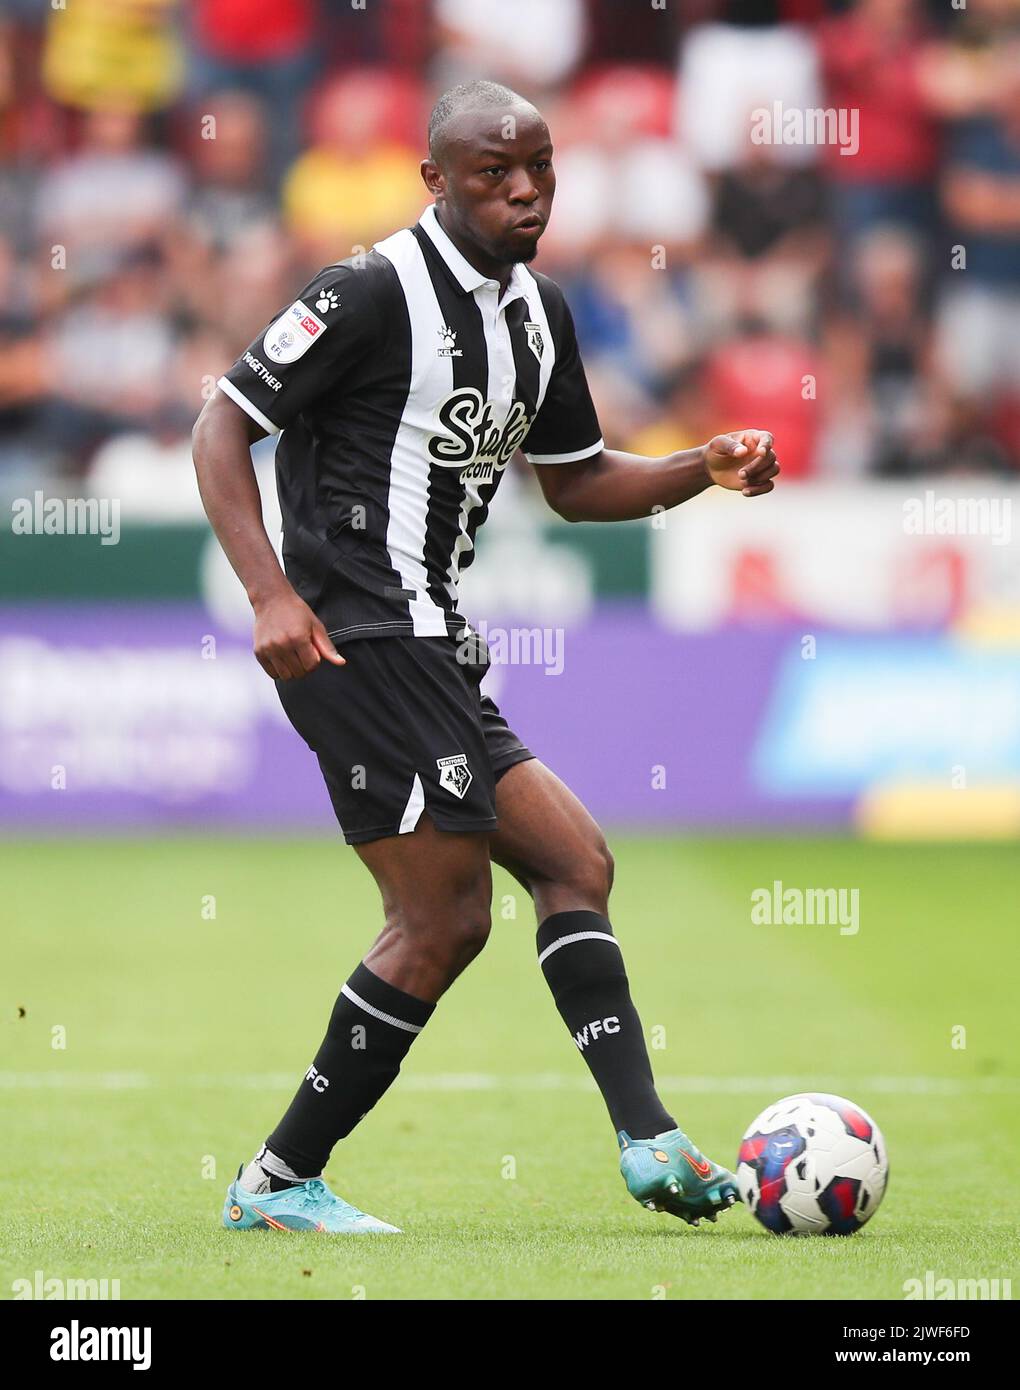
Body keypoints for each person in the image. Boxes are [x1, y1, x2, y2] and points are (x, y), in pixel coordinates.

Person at [192, 79, 780, 1235]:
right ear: (434, 181)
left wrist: (696, 464)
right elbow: (223, 422)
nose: (522, 194)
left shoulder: (538, 312)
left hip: (437, 642)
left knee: (575, 862)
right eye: (491, 176)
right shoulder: (364, 292)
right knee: (442, 918)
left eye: (540, 172)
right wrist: (268, 592)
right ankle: (275, 1182)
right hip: (353, 634)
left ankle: (649, 1142)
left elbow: (574, 480)